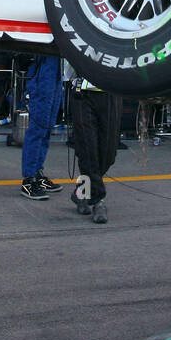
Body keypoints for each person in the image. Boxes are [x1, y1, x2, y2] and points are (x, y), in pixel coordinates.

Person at [64, 64, 121, 224]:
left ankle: (81, 192)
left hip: (111, 91)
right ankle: (98, 201)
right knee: (87, 149)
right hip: (82, 93)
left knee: (108, 154)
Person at [18, 55, 65, 200]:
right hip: (43, 69)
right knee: (38, 128)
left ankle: (37, 173)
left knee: (48, 127)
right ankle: (28, 180)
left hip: (56, 68)